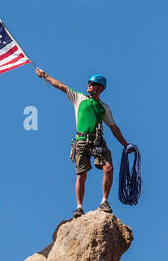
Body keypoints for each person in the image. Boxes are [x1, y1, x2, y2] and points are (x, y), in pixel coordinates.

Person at [35, 69, 129, 217]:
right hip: (81, 141)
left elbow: (114, 127)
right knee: (81, 175)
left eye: (92, 84)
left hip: (97, 142)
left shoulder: (104, 108)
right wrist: (45, 76)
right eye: (88, 83)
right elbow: (61, 86)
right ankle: (79, 207)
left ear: (100, 88)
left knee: (109, 168)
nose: (88, 86)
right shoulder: (79, 98)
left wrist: (126, 145)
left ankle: (104, 201)